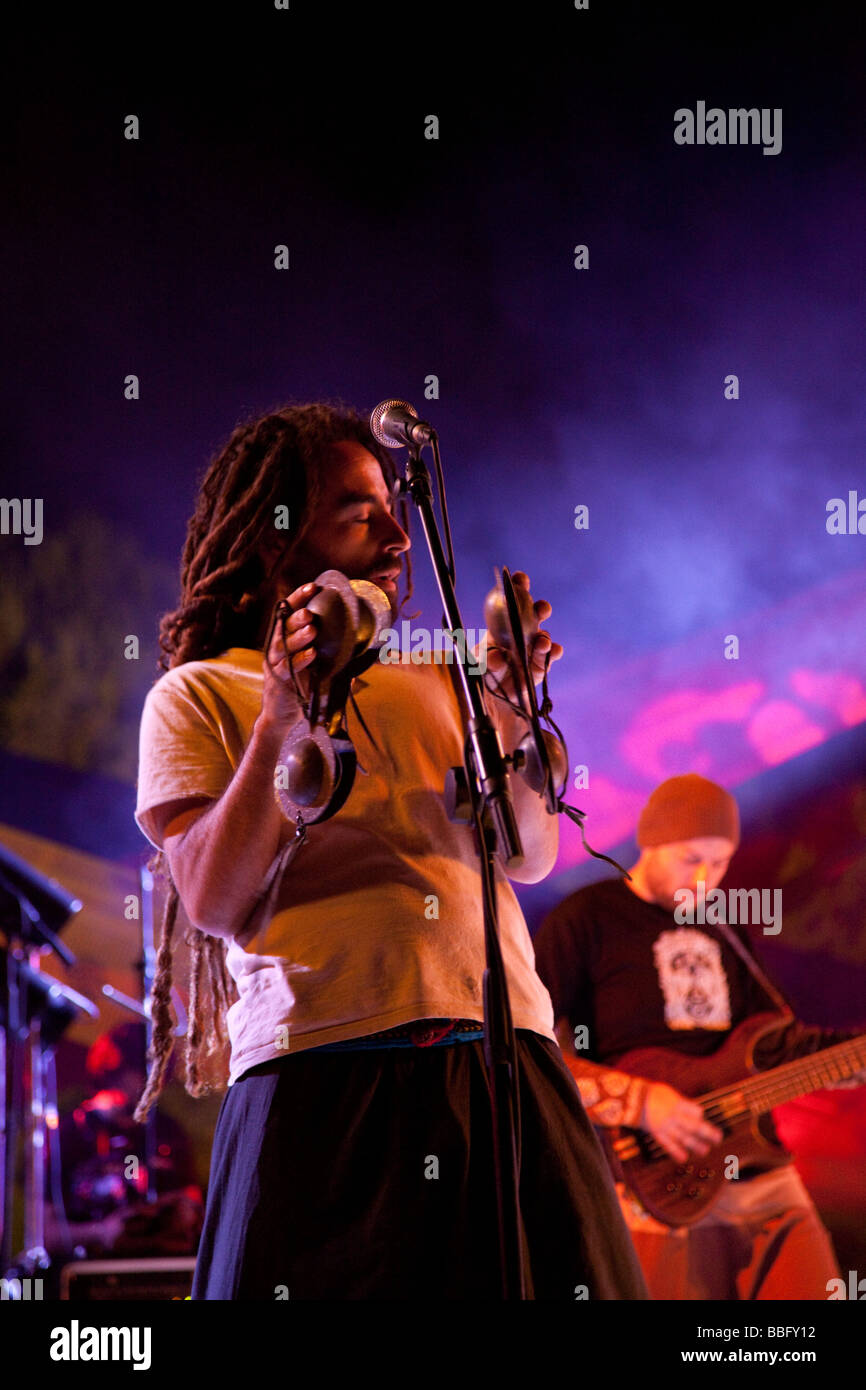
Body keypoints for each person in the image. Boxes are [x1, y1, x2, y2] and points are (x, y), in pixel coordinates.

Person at [131, 400, 647, 1300]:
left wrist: (516, 700)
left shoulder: (436, 680)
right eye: (357, 509)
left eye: (392, 503)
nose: (396, 532)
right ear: (274, 535)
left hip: (498, 1059)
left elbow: (527, 855)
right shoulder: (201, 693)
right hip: (324, 1073)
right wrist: (285, 714)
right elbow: (213, 897)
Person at [533, 772, 864, 1300]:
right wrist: (640, 1105)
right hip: (652, 1179)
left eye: (721, 860)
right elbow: (533, 1053)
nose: (707, 877)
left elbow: (779, 1044)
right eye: (692, 858)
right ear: (651, 843)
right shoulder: (586, 918)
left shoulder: (725, 929)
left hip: (761, 1174)